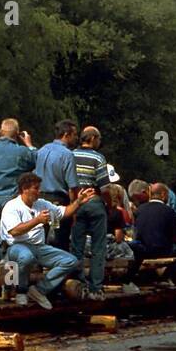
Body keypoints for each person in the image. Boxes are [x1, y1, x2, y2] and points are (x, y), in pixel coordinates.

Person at [0, 172, 86, 310]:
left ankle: (39, 290)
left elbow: (62, 212)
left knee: (70, 261)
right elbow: (15, 231)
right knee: (26, 257)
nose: (39, 192)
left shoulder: (41, 204)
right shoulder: (12, 206)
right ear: (24, 189)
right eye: (36, 188)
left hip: (39, 247)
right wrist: (37, 220)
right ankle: (21, 291)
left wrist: (78, 202)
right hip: (16, 246)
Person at [0, 118, 36, 246]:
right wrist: (29, 144)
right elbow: (35, 160)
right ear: (17, 133)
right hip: (12, 197)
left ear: (1, 131)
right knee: (15, 237)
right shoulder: (22, 151)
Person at [70, 125, 111, 298]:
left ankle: (80, 283)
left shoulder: (70, 155)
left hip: (76, 203)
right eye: (99, 139)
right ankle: (96, 287)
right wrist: (109, 205)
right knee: (98, 247)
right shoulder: (98, 158)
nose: (100, 142)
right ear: (93, 138)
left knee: (76, 246)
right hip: (94, 203)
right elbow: (105, 187)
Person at [34, 119, 80, 248]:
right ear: (66, 134)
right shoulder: (67, 155)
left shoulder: (42, 150)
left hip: (39, 198)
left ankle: (39, 265)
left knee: (41, 237)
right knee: (60, 240)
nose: (76, 138)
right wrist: (74, 207)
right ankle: (60, 265)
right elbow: (72, 187)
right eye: (74, 134)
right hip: (57, 201)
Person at [130, 183, 176, 272]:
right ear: (163, 195)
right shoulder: (170, 211)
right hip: (163, 251)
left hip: (144, 251)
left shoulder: (139, 210)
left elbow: (136, 234)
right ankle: (168, 275)